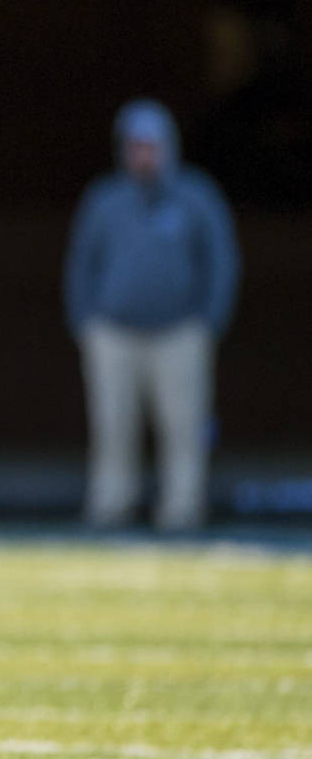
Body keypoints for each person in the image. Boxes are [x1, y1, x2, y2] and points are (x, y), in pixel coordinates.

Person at [65, 99, 240, 532]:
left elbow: (220, 261)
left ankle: (182, 508)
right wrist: (86, 322)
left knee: (183, 427)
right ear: (124, 150)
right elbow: (81, 263)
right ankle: (111, 505)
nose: (144, 155)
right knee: (112, 425)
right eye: (136, 146)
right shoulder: (104, 199)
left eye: (152, 146)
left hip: (180, 332)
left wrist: (207, 322)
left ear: (169, 148)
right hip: (113, 333)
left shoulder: (197, 196)